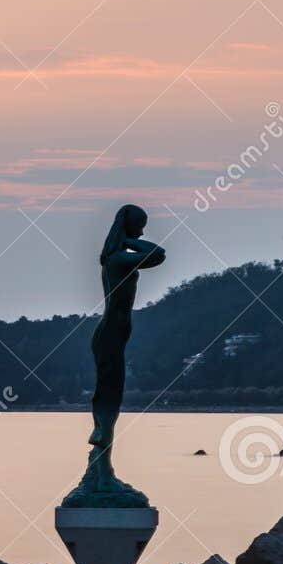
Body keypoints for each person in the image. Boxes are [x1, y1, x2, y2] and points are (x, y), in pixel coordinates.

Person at [65, 204, 165, 506]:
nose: (143, 231)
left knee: (112, 399)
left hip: (114, 334)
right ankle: (102, 468)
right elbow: (157, 254)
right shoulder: (118, 259)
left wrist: (125, 238)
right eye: (140, 225)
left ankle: (102, 465)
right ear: (128, 225)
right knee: (109, 400)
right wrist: (127, 240)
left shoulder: (117, 257)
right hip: (109, 334)